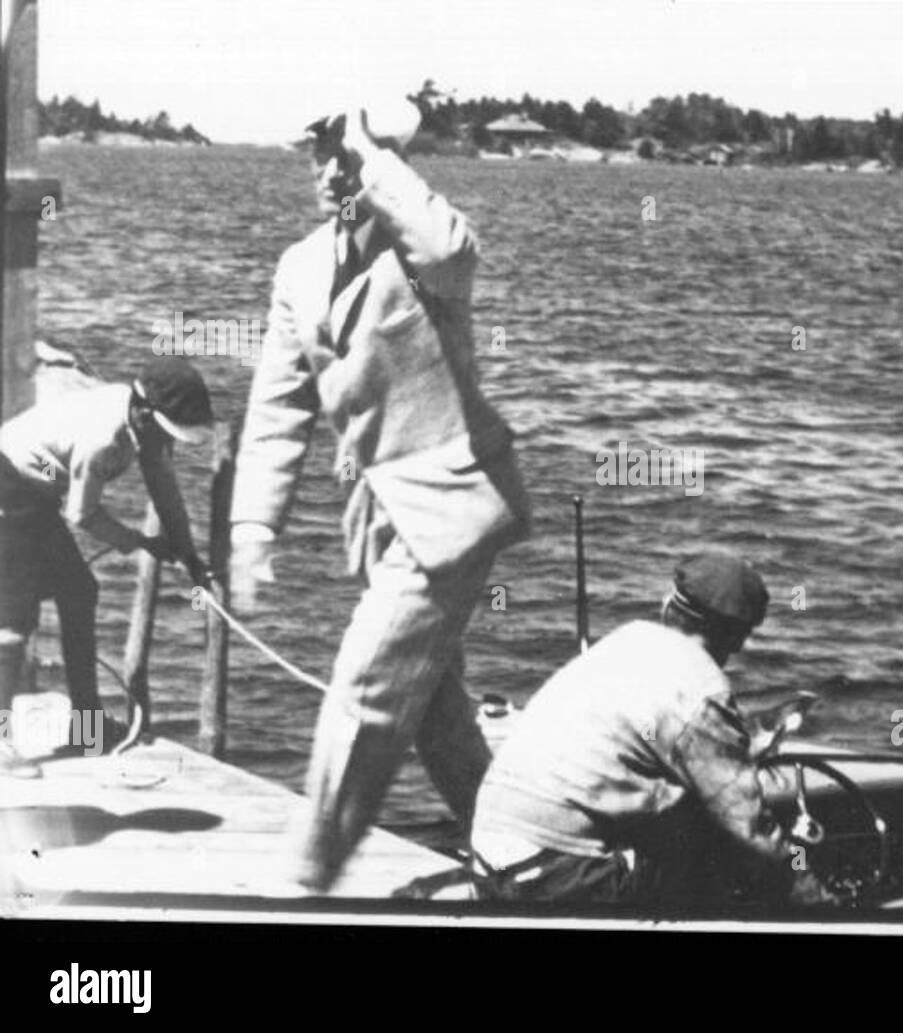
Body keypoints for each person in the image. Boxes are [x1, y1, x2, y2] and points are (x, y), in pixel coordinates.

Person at [228, 98, 530, 892]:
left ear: (384, 161)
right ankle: (522, 855)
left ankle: (307, 880)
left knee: (365, 689)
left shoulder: (422, 245)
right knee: (434, 713)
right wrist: (255, 528)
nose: (331, 173)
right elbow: (278, 403)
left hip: (454, 507)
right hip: (380, 519)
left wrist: (373, 153)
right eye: (320, 156)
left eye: (346, 158)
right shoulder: (298, 267)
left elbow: (453, 246)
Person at [470, 552, 832, 907]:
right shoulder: (701, 689)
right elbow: (747, 828)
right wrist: (817, 900)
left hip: (487, 862)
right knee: (711, 841)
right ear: (737, 637)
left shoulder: (627, 640)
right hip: (556, 881)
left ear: (668, 606)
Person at [0, 357, 212, 776]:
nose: (166, 442)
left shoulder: (141, 427)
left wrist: (188, 554)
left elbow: (165, 489)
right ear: (145, 413)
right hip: (8, 488)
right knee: (12, 624)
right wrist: (140, 543)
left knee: (80, 591)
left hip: (36, 490)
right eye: (166, 432)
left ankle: (87, 728)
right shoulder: (104, 439)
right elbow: (83, 514)